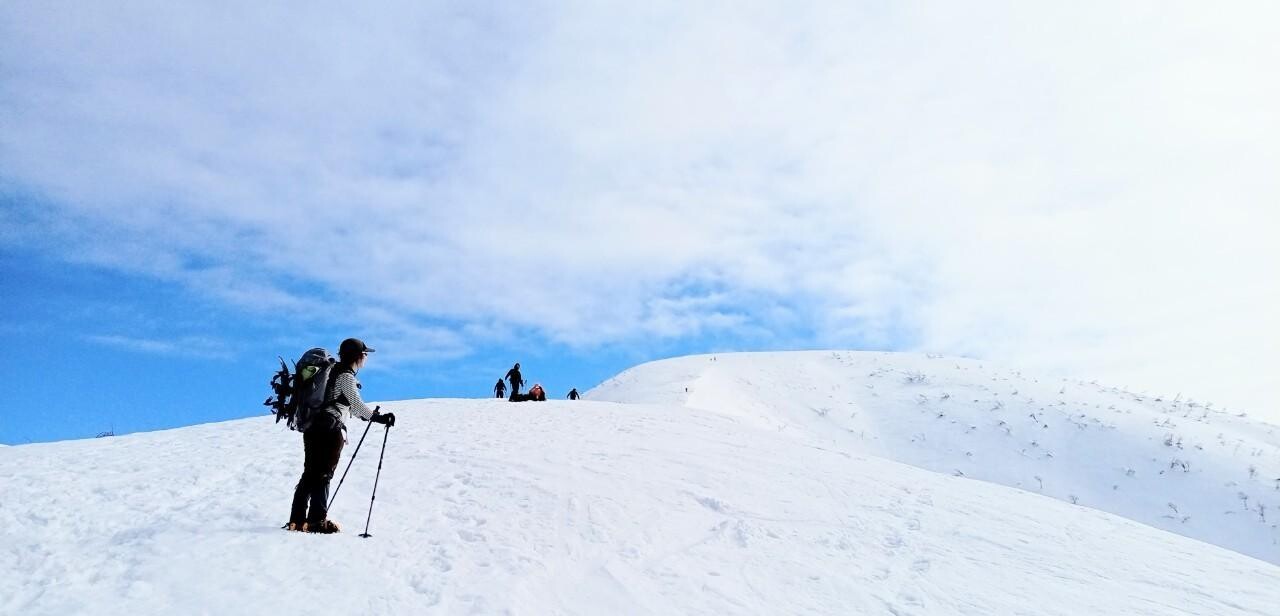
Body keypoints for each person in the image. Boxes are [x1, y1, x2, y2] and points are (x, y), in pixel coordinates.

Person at [287, 338, 394, 534]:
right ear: (358, 356)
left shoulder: (332, 371)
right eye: (365, 354)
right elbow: (356, 404)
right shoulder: (345, 376)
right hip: (329, 429)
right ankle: (317, 521)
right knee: (323, 475)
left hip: (312, 427)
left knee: (309, 473)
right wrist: (378, 418)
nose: (366, 358)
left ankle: (296, 520)